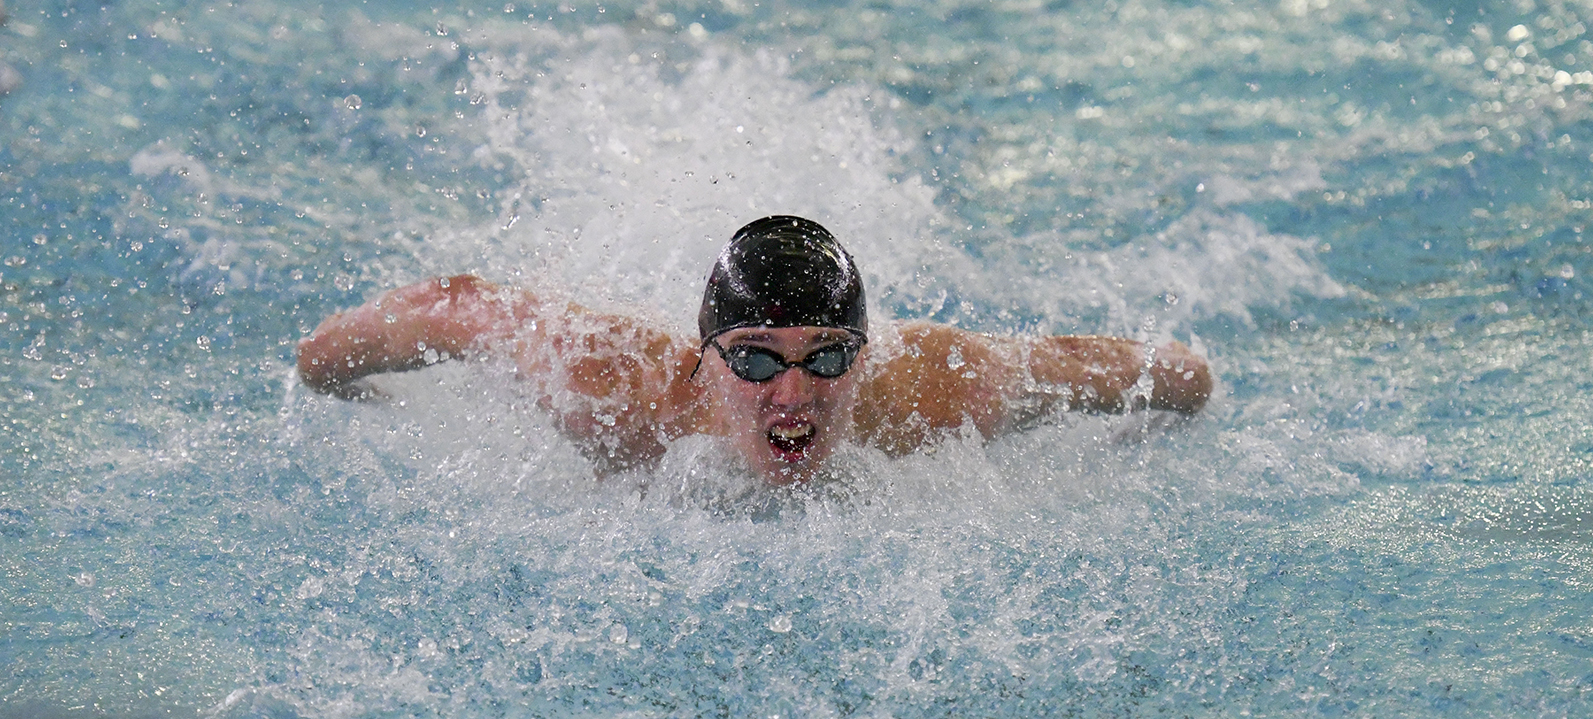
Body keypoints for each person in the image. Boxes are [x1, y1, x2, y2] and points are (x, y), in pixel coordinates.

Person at [297, 215, 1212, 485]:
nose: (793, 396)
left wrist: (1186, 383)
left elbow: (1160, 370)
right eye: (755, 359)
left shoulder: (933, 393)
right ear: (704, 360)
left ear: (866, 354)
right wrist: (322, 367)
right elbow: (455, 308)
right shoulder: (612, 390)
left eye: (825, 358)